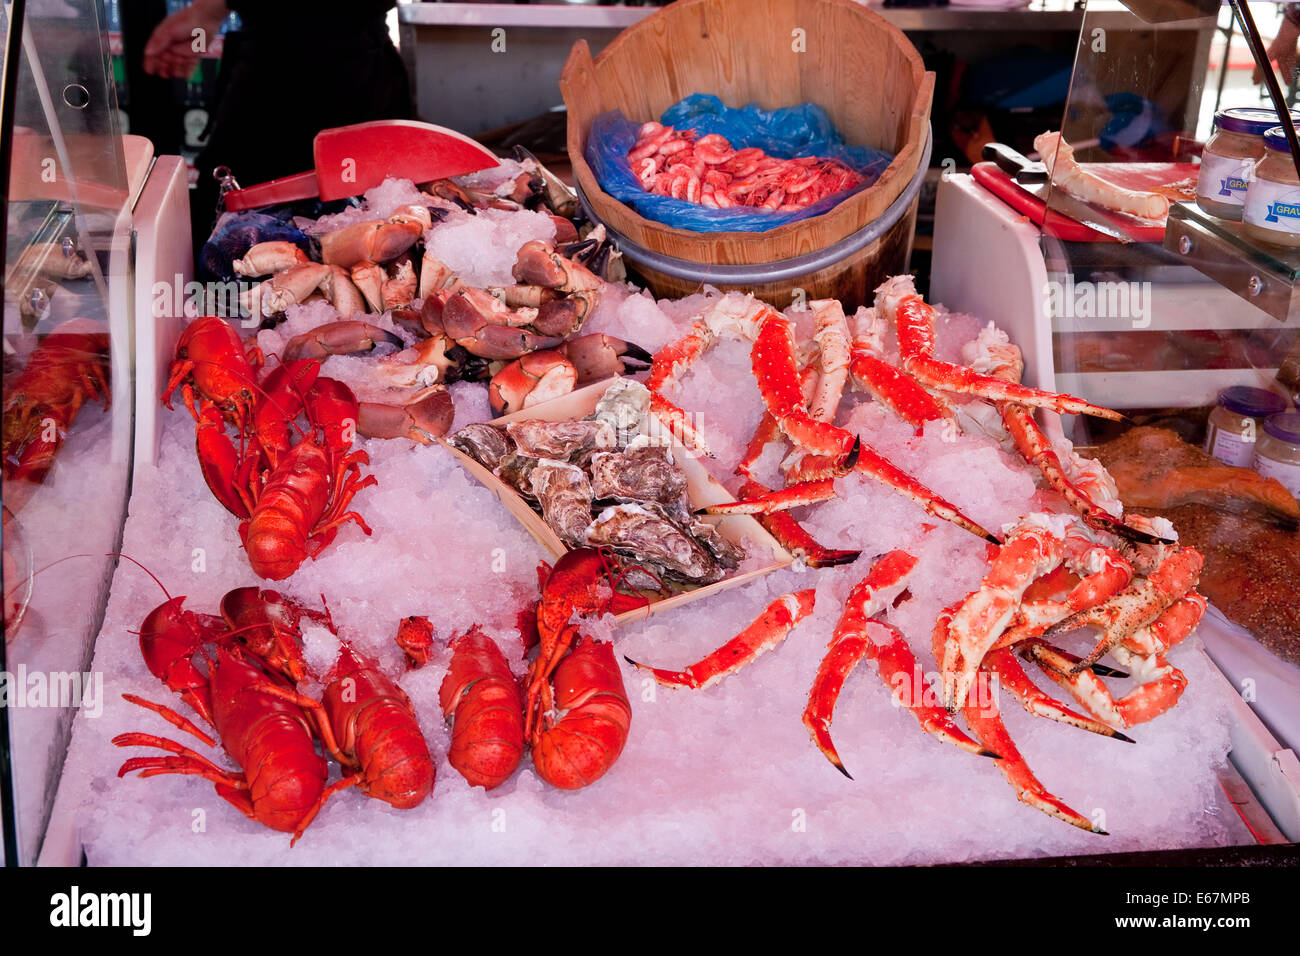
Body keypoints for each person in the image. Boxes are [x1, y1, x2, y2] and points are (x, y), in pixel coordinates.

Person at [143, 0, 412, 249]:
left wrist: (205, 14)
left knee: (374, 242)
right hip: (273, 74)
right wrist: (205, 15)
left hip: (340, 78)